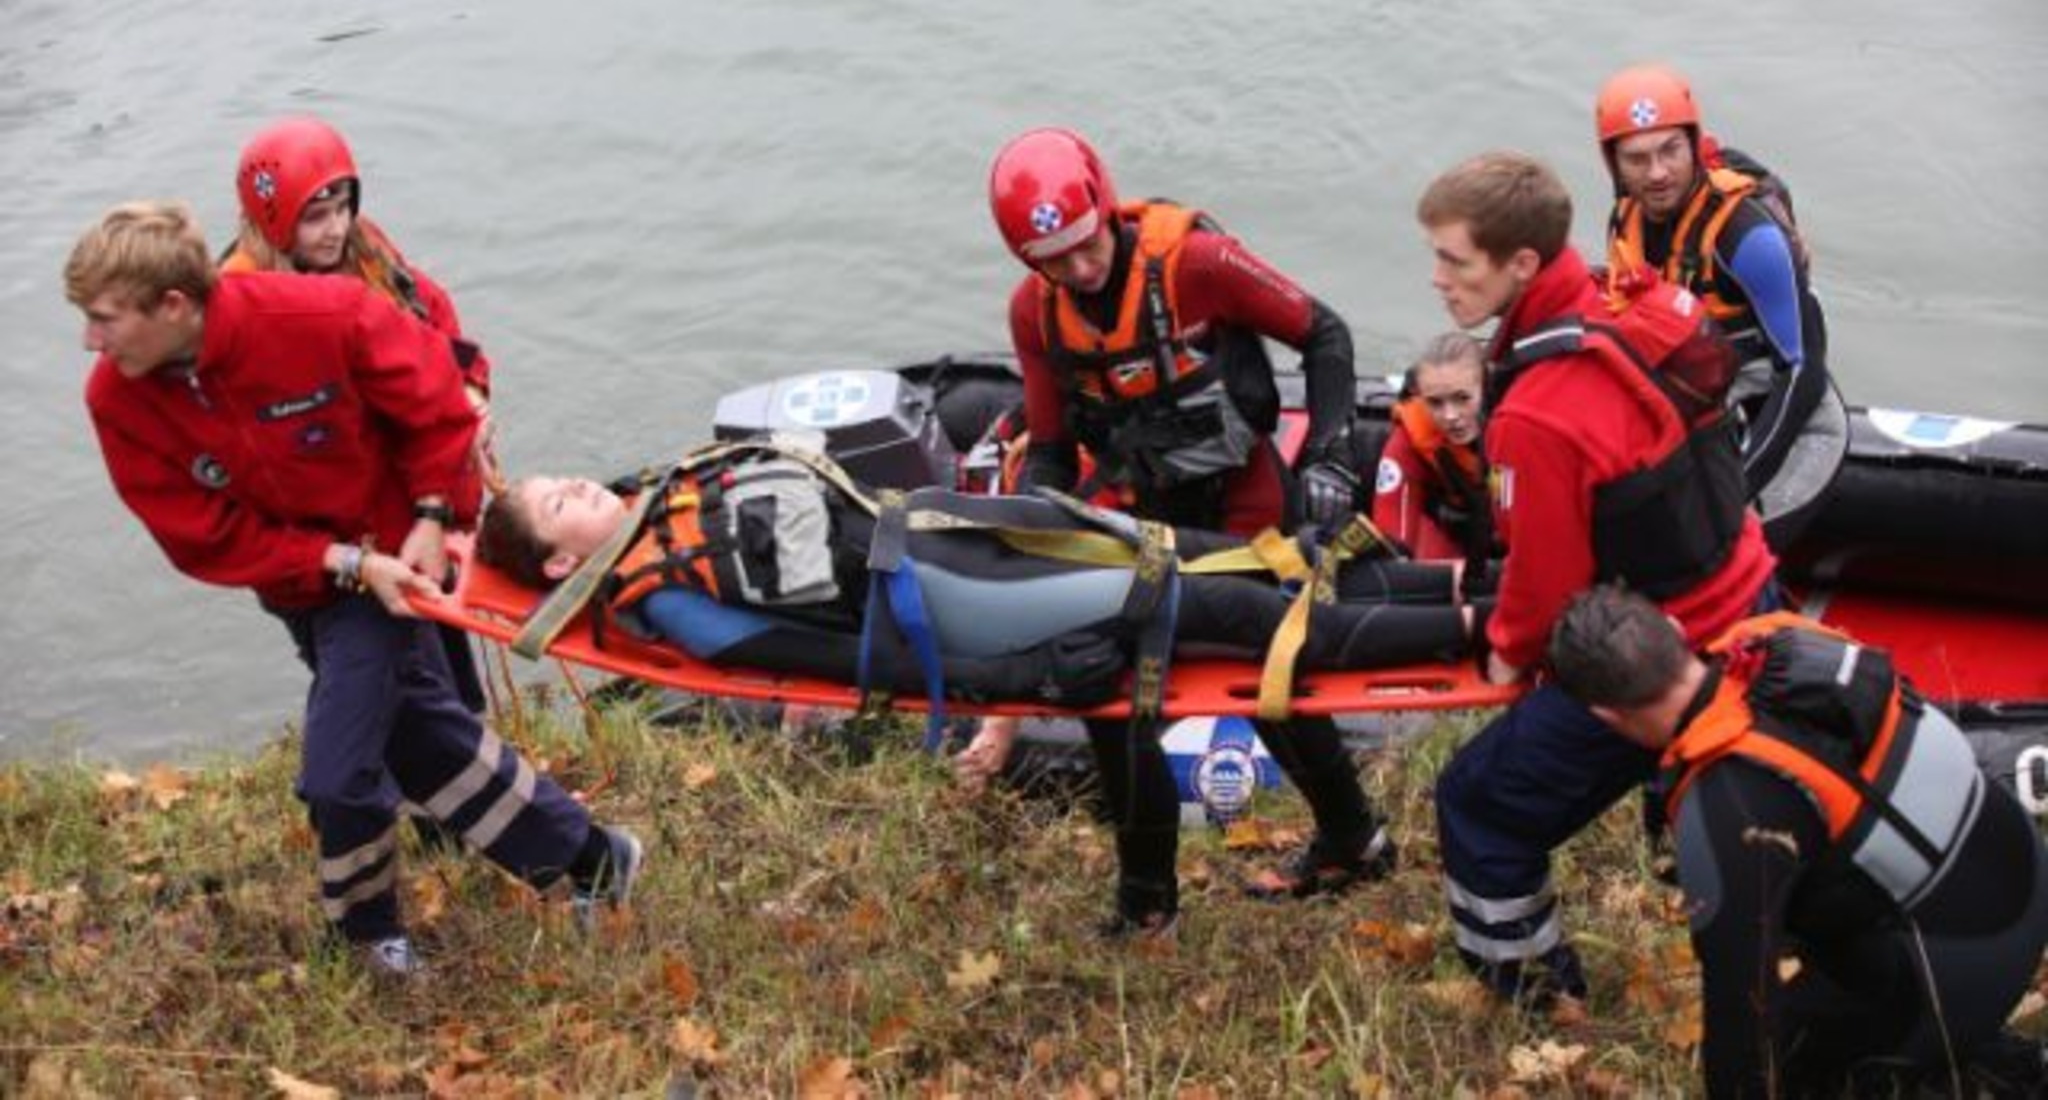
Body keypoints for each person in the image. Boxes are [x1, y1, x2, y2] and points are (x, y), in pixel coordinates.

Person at [476, 441, 1487, 933]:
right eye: (555, 501)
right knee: (1244, 621)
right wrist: (1013, 682)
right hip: (960, 600)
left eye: (560, 477)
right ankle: (1480, 630)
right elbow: (841, 662)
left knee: (1249, 572)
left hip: (951, 532)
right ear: (562, 563)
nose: (574, 485)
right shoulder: (671, 599)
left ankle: (1249, 871)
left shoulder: (661, 502)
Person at [64, 201, 642, 980]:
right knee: (420, 738)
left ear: (173, 306)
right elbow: (200, 534)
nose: (90, 341)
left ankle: (367, 938)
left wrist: (435, 515)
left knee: (339, 772)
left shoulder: (320, 314)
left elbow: (438, 403)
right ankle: (597, 861)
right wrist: (338, 561)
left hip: (398, 556)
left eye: (104, 319)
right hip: (312, 580)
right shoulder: (118, 399)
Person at [989, 127, 1390, 931]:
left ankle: (1353, 839)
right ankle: (1146, 905)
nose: (1076, 268)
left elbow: (1326, 334)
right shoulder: (1035, 312)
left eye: (1083, 244)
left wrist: (1331, 462)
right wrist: (1037, 528)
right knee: (1109, 694)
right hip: (1144, 512)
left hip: (1241, 500)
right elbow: (1054, 450)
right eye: (1052, 260)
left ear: (1106, 206)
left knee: (1271, 674)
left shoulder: (1196, 264)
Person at [1416, 151, 1779, 1007]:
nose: (1437, 279)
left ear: (1522, 263)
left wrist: (1507, 655)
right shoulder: (1638, 299)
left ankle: (1541, 999)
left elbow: (1545, 596)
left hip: (1656, 648)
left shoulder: (1537, 414)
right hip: (1751, 592)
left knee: (1478, 803)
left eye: (1454, 261)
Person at [1549, 586, 2048, 1098]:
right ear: (1675, 632)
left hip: (1967, 958)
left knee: (1792, 1062)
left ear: (1605, 715)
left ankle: (1978, 1068)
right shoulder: (1776, 637)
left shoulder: (1729, 805)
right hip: (2018, 862)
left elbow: (1743, 1012)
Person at [227, 115, 498, 717]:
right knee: (393, 696)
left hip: (418, 512)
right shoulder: (244, 314)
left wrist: (470, 396)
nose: (335, 229)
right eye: (315, 216)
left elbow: (437, 332)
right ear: (274, 221)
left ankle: (461, 774)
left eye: (343, 206)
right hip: (344, 548)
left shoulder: (367, 257)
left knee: (449, 679)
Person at [1594, 64, 1847, 549]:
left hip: (1790, 430)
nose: (1658, 173)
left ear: (1694, 143)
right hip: (1707, 420)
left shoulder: (1748, 238)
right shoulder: (1625, 220)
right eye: (1637, 159)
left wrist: (1731, 494)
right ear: (1613, 165)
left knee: (1706, 556)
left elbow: (1802, 371)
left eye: (1670, 150)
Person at [1371, 331, 1498, 563]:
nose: (1450, 416)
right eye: (1435, 402)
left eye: (1462, 398)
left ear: (1487, 388)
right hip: (1452, 531)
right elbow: (1391, 544)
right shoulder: (1410, 436)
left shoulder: (1520, 426)